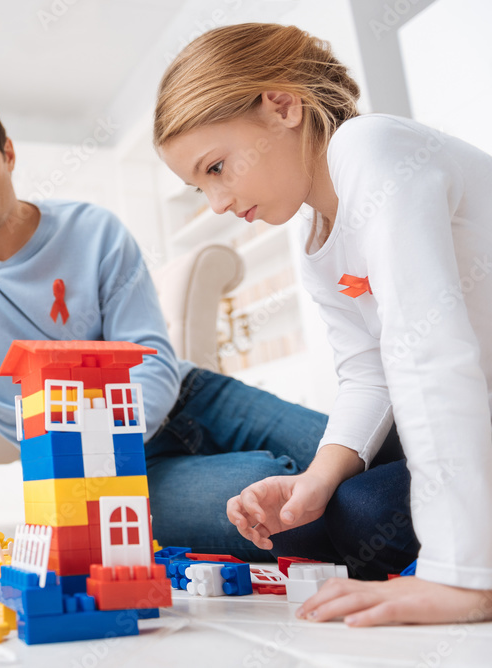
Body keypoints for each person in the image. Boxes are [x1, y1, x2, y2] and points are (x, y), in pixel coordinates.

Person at [0, 88, 329, 566]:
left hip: (187, 399)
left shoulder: (93, 230)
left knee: (345, 448)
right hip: (87, 474)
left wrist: (103, 434)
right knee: (270, 496)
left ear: (7, 153)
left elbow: (149, 352)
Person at [154, 22, 492, 626]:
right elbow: (368, 373)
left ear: (282, 106)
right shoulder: (315, 239)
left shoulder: (371, 146)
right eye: (199, 185)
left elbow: (429, 350)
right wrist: (316, 476)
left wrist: (458, 576)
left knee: (374, 513)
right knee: (356, 505)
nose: (218, 204)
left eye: (217, 167)